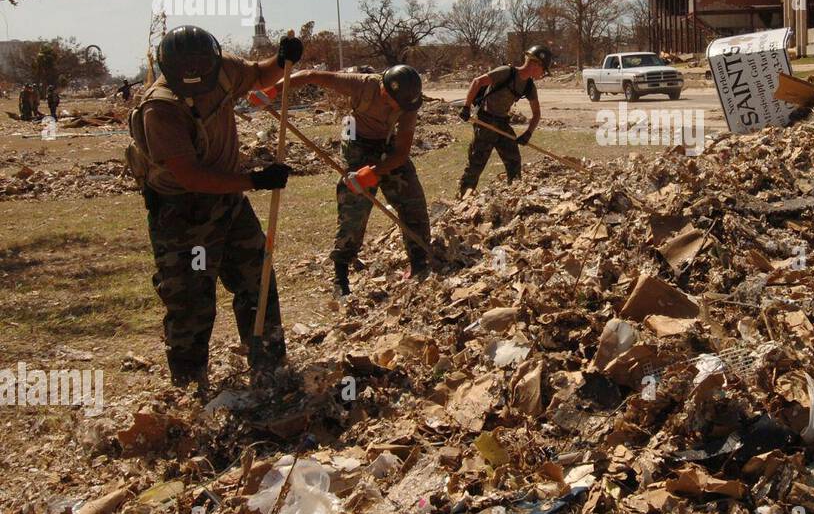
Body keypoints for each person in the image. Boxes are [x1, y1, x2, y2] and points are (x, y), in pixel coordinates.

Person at [125, 25, 303, 387]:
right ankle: (190, 386)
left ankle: (269, 367)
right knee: (191, 299)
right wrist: (255, 180)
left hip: (229, 202)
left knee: (258, 281)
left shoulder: (223, 69)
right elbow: (191, 176)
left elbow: (259, 75)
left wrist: (281, 59)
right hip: (183, 212)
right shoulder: (161, 108)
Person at [287, 64, 432, 297]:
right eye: (397, 103)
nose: (400, 108)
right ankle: (340, 276)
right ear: (385, 90)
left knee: (412, 200)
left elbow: (401, 153)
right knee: (354, 208)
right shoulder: (362, 85)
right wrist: (273, 90)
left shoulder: (409, 104)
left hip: (387, 146)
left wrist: (374, 173)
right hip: (356, 142)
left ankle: (419, 262)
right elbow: (311, 76)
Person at [457, 45, 551, 196]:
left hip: (502, 123)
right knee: (476, 164)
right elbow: (477, 82)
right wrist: (466, 107)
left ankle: (514, 194)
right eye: (544, 69)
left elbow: (537, 113)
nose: (543, 73)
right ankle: (463, 197)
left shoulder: (529, 85)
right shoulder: (506, 72)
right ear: (536, 64)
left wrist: (528, 133)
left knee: (514, 161)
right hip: (485, 121)